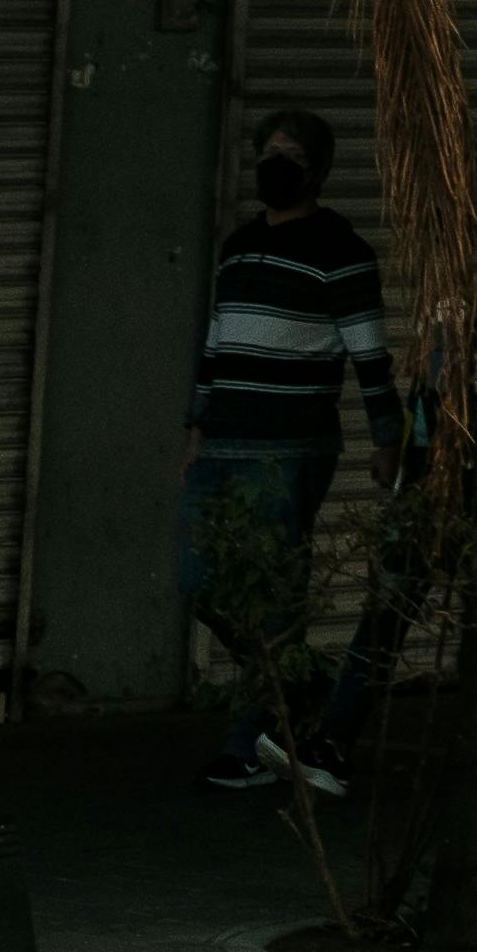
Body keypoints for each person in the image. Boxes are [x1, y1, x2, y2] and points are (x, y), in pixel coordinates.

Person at [180, 103, 405, 796]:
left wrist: (387, 439)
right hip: (222, 444)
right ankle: (298, 686)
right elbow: (215, 345)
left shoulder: (342, 252)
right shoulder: (239, 246)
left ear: (320, 172)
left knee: (275, 596)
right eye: (270, 153)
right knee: (199, 580)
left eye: (293, 158)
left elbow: (371, 359)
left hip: (290, 450)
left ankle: (246, 744)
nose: (277, 166)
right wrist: (195, 428)